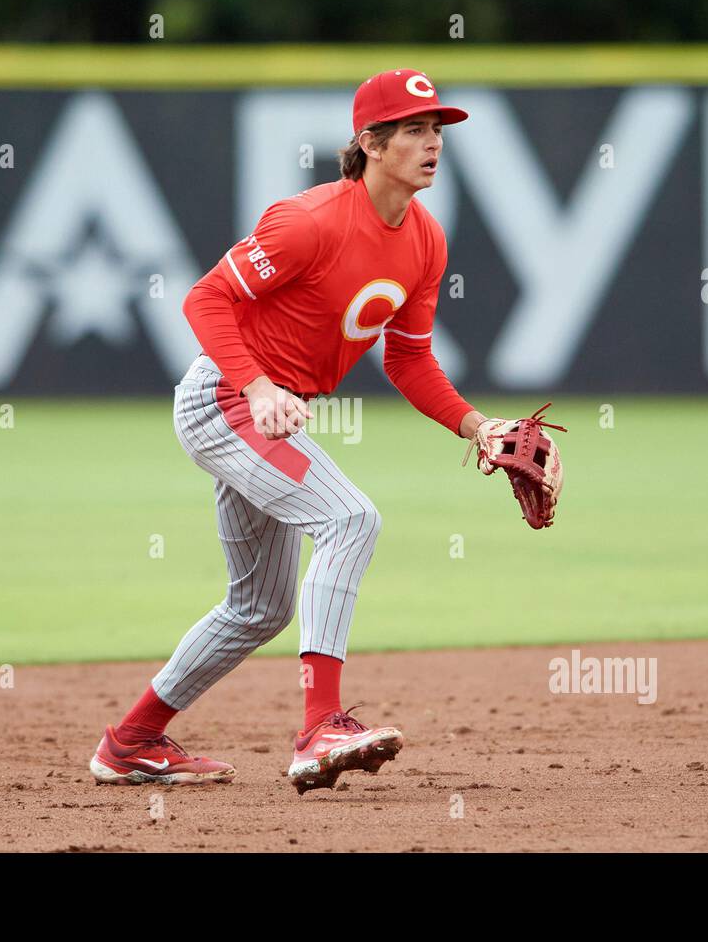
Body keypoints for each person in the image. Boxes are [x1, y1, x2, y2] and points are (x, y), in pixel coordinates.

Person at [91, 69, 488, 793]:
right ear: (371, 144)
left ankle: (132, 742)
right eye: (414, 130)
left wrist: (478, 427)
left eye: (437, 130)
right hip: (225, 400)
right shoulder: (310, 222)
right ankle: (319, 729)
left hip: (269, 409)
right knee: (350, 519)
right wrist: (257, 384)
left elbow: (408, 360)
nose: (433, 143)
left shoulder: (426, 240)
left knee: (259, 608)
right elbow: (205, 298)